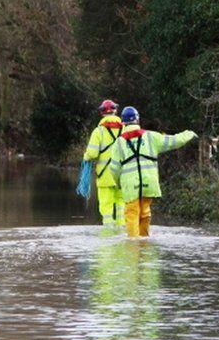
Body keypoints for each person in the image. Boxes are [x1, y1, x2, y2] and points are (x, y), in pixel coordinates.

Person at [108, 106, 196, 237]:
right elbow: (173, 141)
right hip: (149, 184)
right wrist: (189, 134)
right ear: (138, 121)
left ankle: (133, 247)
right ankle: (144, 244)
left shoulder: (119, 143)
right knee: (145, 213)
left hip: (130, 186)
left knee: (132, 214)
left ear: (123, 123)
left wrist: (119, 184)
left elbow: (114, 169)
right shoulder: (151, 137)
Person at [84, 99, 125, 227]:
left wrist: (85, 157)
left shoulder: (98, 131)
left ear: (102, 113)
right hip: (122, 175)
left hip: (105, 175)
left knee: (106, 207)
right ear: (116, 111)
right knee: (121, 205)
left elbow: (92, 154)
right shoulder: (125, 129)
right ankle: (121, 231)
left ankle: (108, 233)